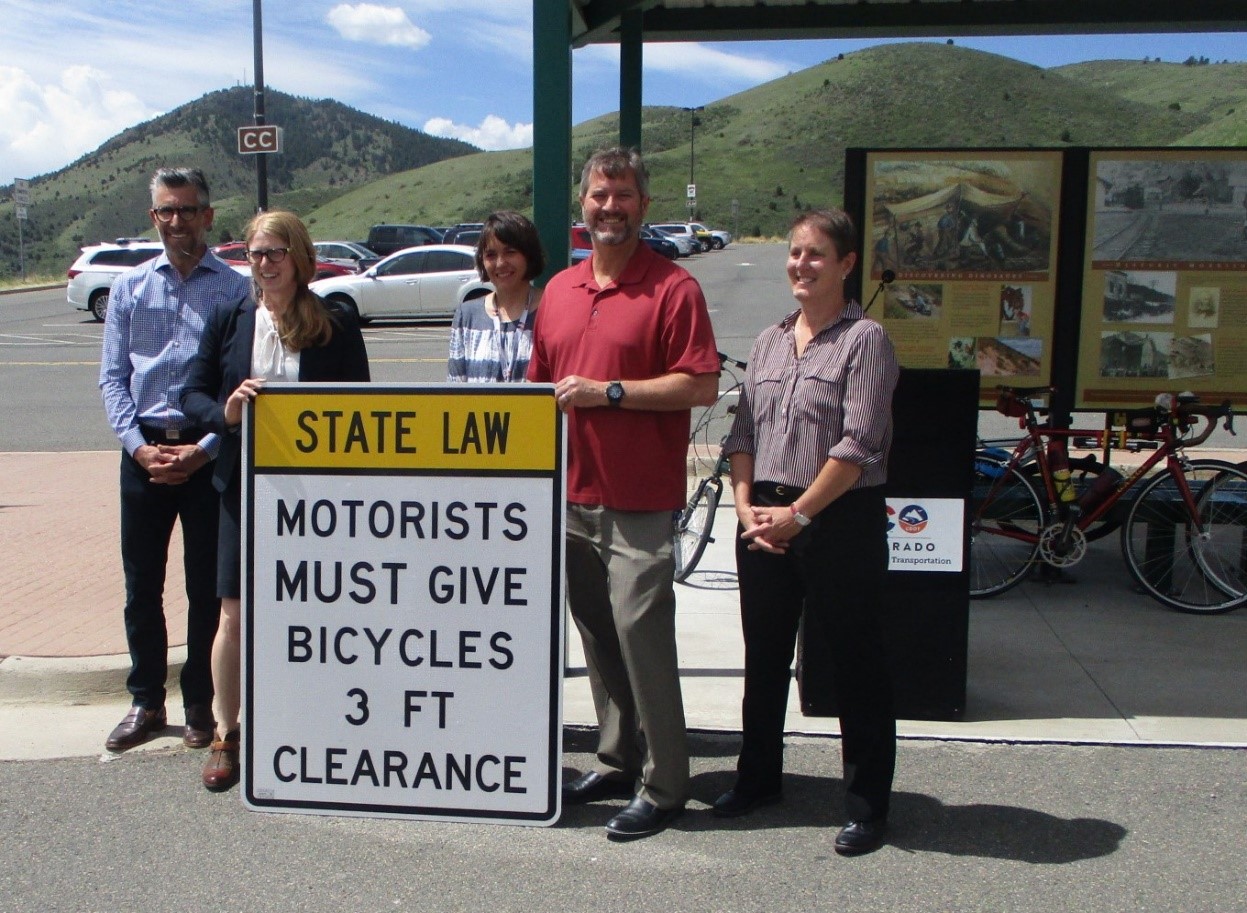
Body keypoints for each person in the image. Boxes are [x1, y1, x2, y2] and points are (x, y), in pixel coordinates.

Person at [527, 147, 719, 841]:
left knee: (641, 634)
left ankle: (666, 783)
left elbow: (699, 384)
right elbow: (536, 391)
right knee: (598, 634)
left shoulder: (672, 289)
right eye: (600, 195)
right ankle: (615, 758)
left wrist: (609, 393)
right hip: (570, 495)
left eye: (624, 196)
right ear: (584, 204)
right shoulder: (558, 291)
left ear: (643, 203)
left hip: (640, 499)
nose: (611, 207)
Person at [713, 209, 900, 857]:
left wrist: (801, 515)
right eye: (794, 252)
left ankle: (867, 804)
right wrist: (746, 510)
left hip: (835, 516)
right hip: (762, 514)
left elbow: (858, 444)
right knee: (762, 658)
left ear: (846, 264)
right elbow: (741, 435)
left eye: (815, 254)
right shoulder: (767, 340)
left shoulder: (864, 340)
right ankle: (758, 778)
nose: (800, 264)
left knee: (854, 661)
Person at [182, 210, 371, 791]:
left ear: (299, 256)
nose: (264, 263)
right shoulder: (229, 318)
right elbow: (191, 395)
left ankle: (317, 722)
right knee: (234, 615)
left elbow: (361, 405)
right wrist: (226, 412)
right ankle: (226, 733)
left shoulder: (335, 320)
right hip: (246, 486)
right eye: (255, 253)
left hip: (318, 495)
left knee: (320, 612)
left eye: (275, 252)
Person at [99, 167, 252, 752]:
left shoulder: (235, 290)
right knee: (142, 584)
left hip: (207, 452)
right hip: (142, 451)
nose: (177, 221)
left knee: (204, 589)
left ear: (208, 216)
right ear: (153, 217)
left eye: (188, 210)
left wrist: (204, 449)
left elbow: (235, 382)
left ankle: (197, 703)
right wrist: (137, 447)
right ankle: (145, 700)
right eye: (167, 210)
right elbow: (114, 378)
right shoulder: (129, 289)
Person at [447, 211, 545, 382]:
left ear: (529, 255)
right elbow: (454, 389)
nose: (500, 263)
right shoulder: (467, 316)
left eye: (510, 252)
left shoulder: (550, 310)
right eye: (491, 255)